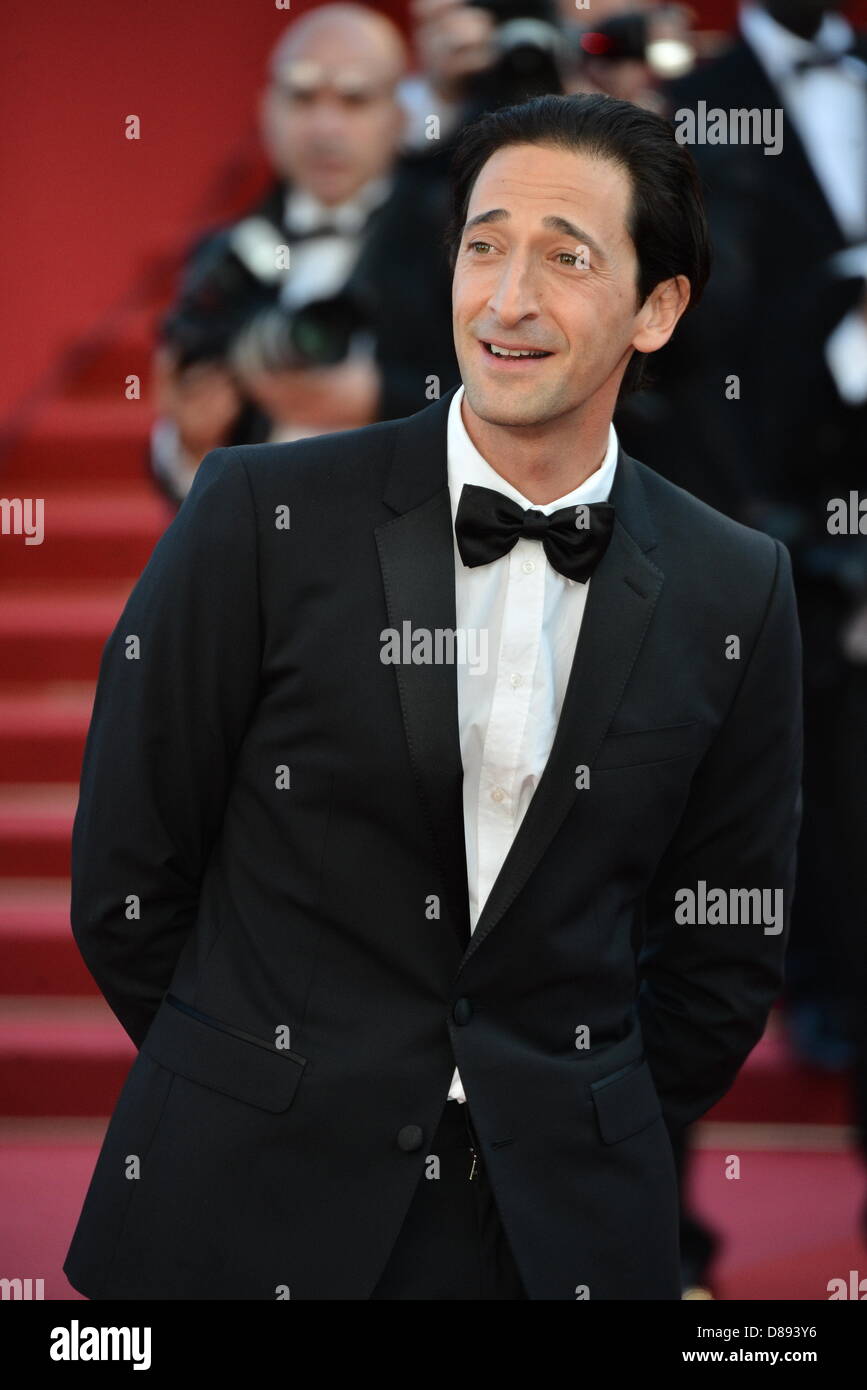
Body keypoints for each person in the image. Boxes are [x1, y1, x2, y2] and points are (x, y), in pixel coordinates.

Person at [64, 91, 802, 1301]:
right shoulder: (263, 515)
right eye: (483, 244)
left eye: (566, 259)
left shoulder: (737, 584)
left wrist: (571, 1116)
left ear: (657, 309)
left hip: (551, 1231)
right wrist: (260, 1075)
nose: (508, 300)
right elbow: (128, 878)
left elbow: (725, 942)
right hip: (246, 1200)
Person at [151, 4, 459, 508]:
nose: (325, 127)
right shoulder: (220, 254)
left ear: (399, 116)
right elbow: (178, 480)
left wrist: (379, 400)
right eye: (302, 98)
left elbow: (512, 403)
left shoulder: (453, 238)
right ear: (266, 109)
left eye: (354, 100)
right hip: (258, 564)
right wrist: (191, 442)